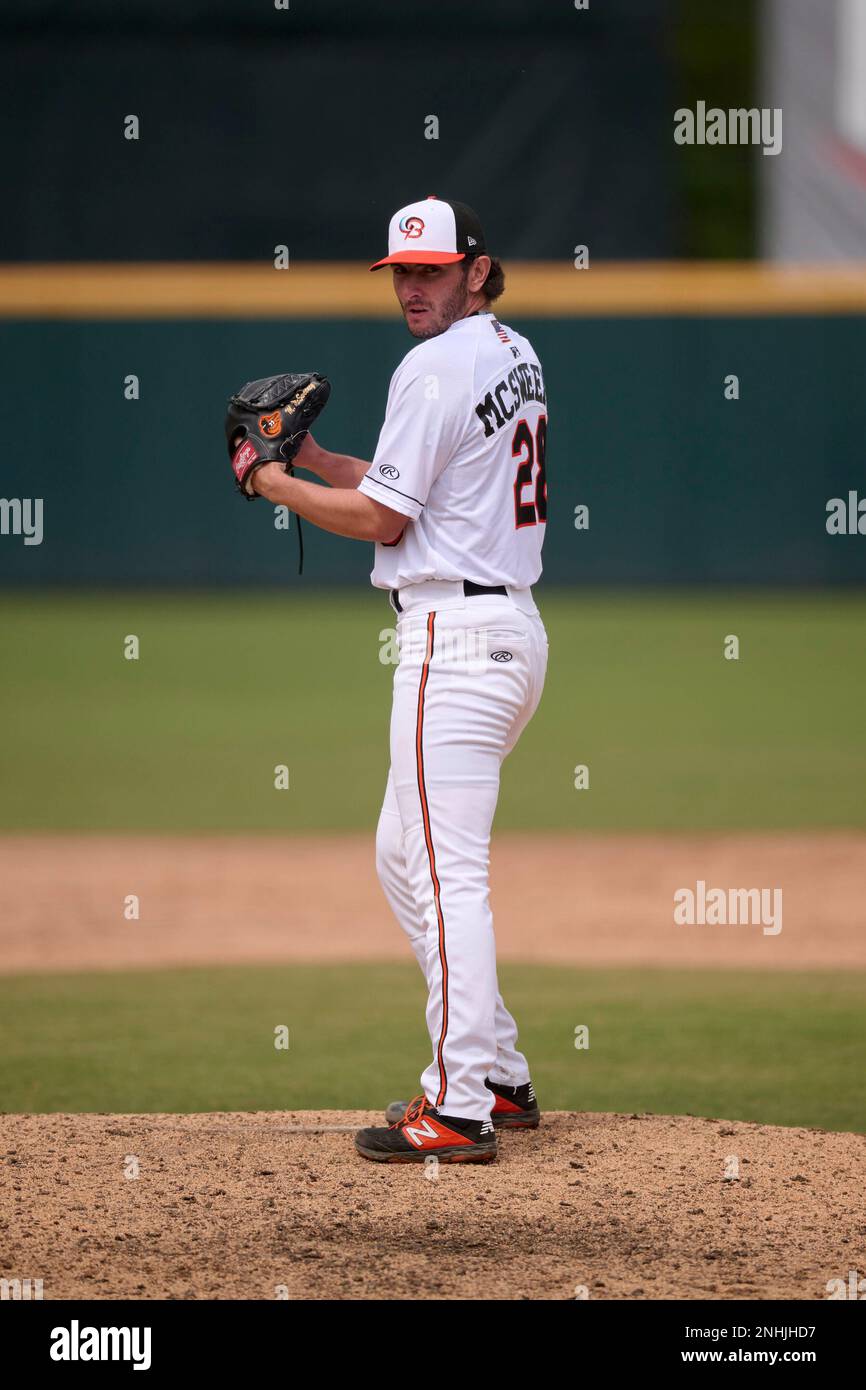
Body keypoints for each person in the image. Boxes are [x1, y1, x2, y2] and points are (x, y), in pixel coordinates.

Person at [251, 196, 549, 1163]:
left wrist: (273, 482)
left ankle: (460, 1107)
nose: (414, 287)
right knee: (401, 855)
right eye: (402, 272)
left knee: (447, 872)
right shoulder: (510, 350)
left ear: (475, 267)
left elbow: (384, 524)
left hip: (453, 643)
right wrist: (318, 459)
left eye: (432, 269)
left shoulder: (431, 364)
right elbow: (406, 486)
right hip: (505, 627)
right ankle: (496, 1073)